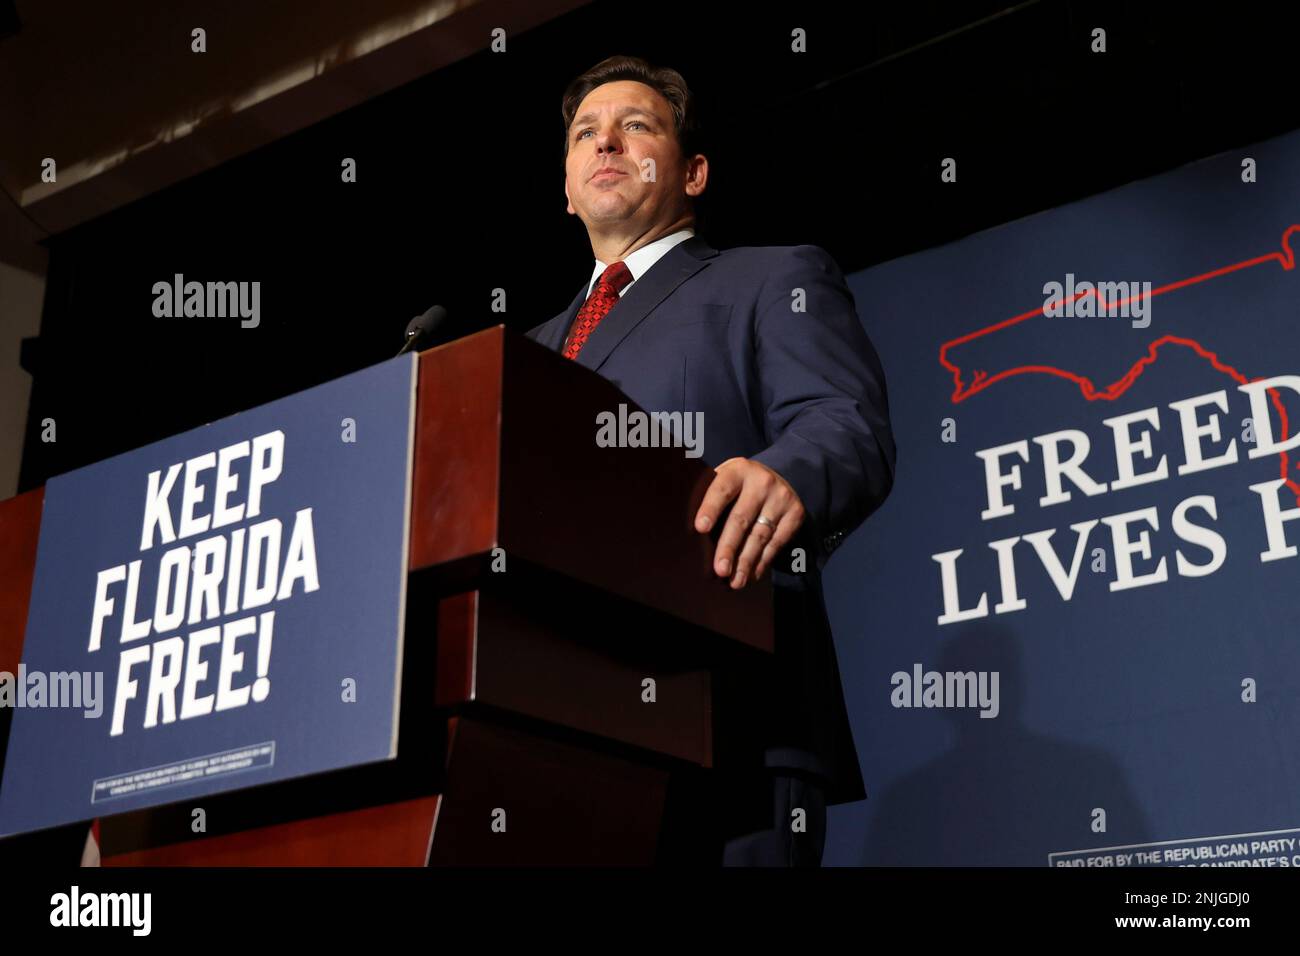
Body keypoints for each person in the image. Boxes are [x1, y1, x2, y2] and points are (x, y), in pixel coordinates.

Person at [526, 55, 896, 866]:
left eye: (637, 127)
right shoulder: (523, 357)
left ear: (692, 171)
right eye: (586, 133)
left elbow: (845, 422)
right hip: (545, 729)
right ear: (565, 186)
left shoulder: (771, 277)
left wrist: (788, 470)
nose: (607, 143)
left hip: (728, 717)